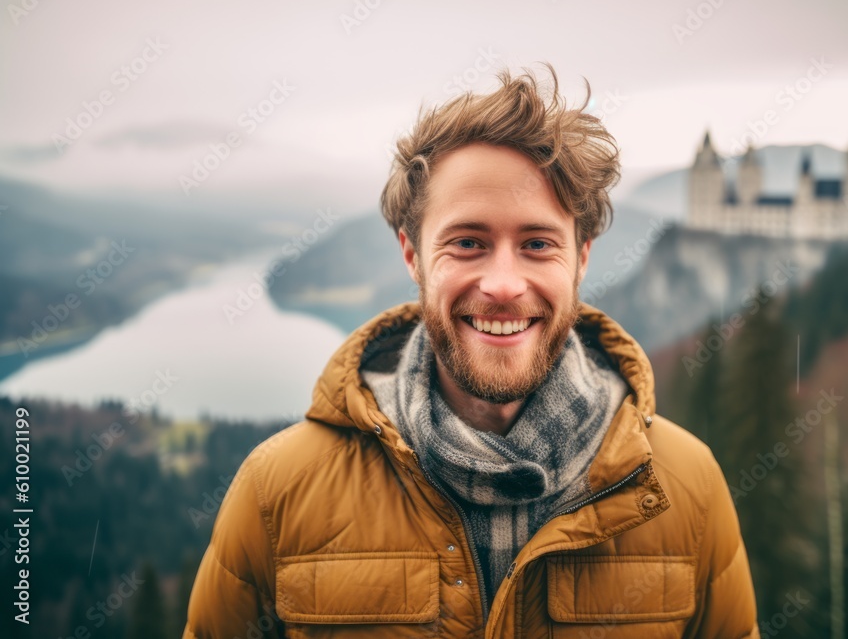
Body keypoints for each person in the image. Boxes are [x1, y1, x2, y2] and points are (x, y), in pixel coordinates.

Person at [184, 65, 759, 638]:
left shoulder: (687, 486)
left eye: (537, 244)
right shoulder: (277, 491)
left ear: (581, 258)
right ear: (412, 255)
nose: (504, 284)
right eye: (467, 243)